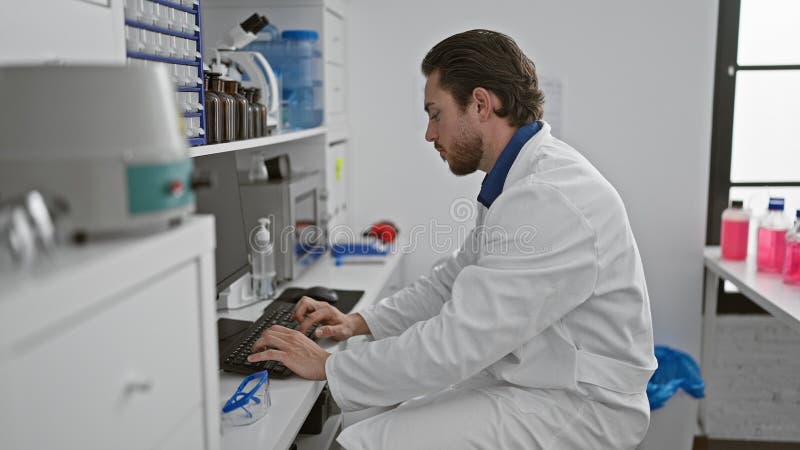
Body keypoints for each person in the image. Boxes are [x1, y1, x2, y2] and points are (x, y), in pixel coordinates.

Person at [248, 29, 657, 449]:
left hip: (580, 404)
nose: (429, 133)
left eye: (435, 113)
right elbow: (450, 282)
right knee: (374, 422)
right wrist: (359, 322)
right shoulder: (518, 183)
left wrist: (330, 367)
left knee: (362, 443)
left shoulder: (548, 197)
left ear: (480, 104)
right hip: (534, 377)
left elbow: (456, 343)